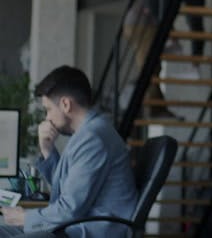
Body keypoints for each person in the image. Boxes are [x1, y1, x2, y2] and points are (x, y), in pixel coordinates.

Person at [0, 66, 138, 237]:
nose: (47, 118)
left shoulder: (92, 139)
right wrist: (48, 150)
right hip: (76, 225)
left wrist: (24, 218)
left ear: (65, 104)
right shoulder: (89, 132)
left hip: (88, 231)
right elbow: (67, 188)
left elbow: (69, 209)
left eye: (48, 109)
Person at [123, 0, 175, 118]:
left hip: (136, 21)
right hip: (141, 22)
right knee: (149, 65)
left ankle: (156, 105)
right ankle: (151, 106)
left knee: (151, 65)